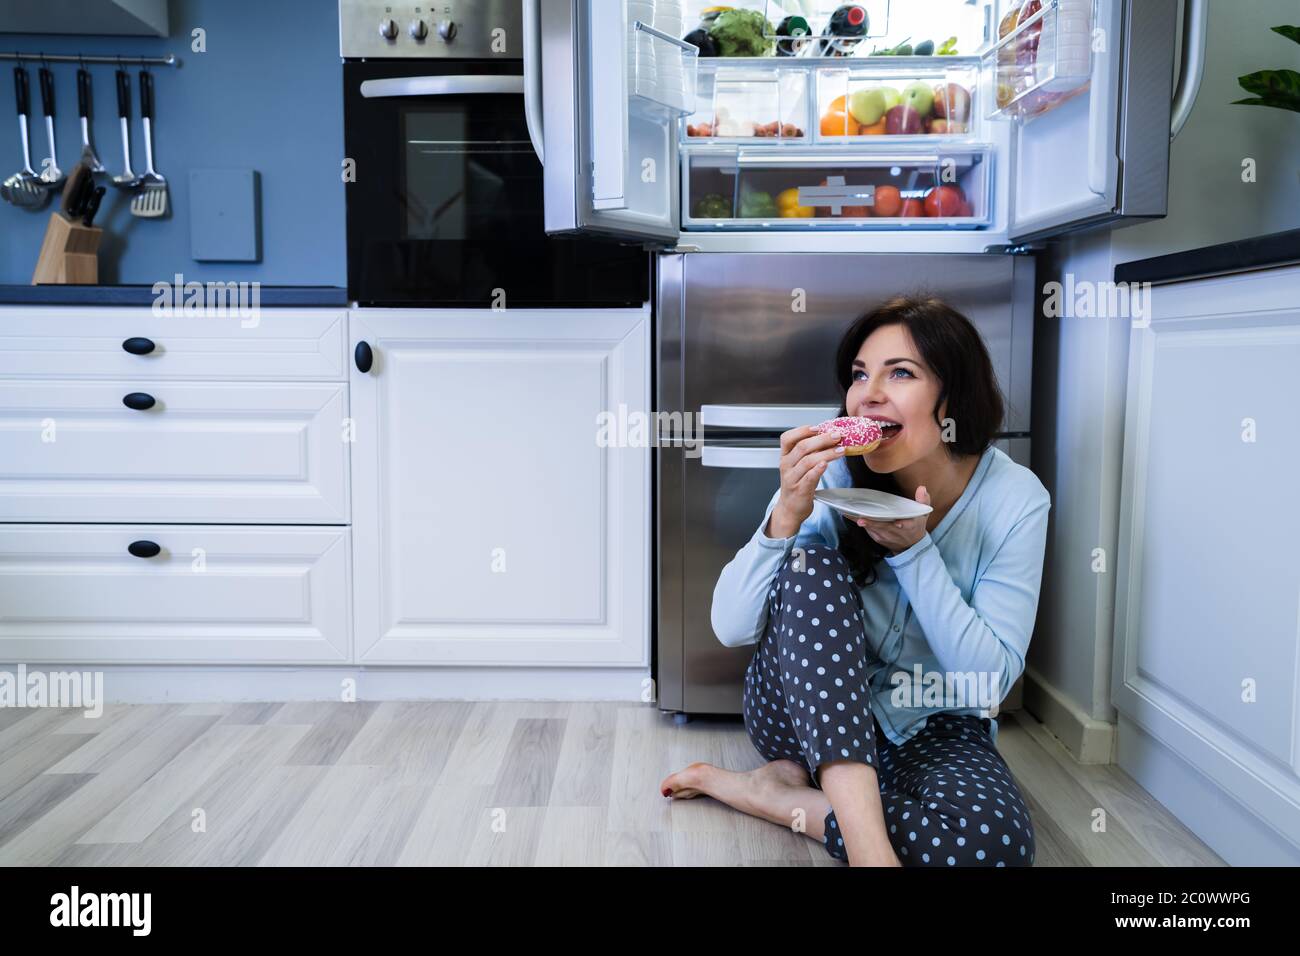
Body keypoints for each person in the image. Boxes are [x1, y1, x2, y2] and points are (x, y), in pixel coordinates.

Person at [660, 295, 1050, 867]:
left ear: (954, 396)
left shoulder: (1015, 500)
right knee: (811, 567)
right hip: (800, 715)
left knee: (997, 846)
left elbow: (986, 686)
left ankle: (775, 797)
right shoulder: (834, 478)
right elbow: (731, 627)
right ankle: (871, 852)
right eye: (860, 374)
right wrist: (785, 518)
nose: (868, 393)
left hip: (932, 720)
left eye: (901, 373)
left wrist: (916, 553)